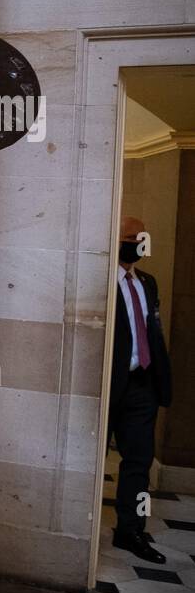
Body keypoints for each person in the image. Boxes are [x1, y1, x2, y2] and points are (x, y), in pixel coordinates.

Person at [109, 215, 172, 564]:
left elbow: (152, 332)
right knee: (94, 456)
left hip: (141, 386)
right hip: (108, 386)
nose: (137, 243)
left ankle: (130, 530)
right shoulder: (102, 281)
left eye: (140, 237)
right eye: (130, 237)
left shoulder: (148, 282)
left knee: (138, 461)